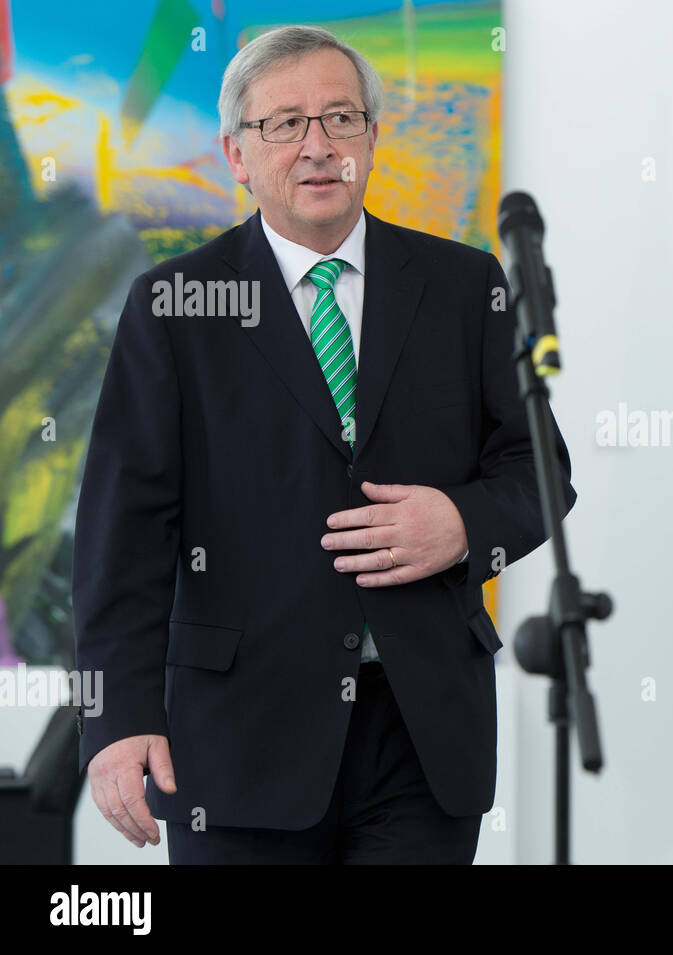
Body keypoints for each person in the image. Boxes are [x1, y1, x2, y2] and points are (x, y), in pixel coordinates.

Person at [73, 24, 575, 864]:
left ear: (373, 138)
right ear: (238, 155)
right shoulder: (175, 305)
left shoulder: (463, 285)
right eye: (286, 124)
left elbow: (540, 470)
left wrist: (461, 521)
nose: (318, 146)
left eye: (342, 119)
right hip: (239, 737)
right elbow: (123, 534)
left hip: (420, 734)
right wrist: (118, 718)